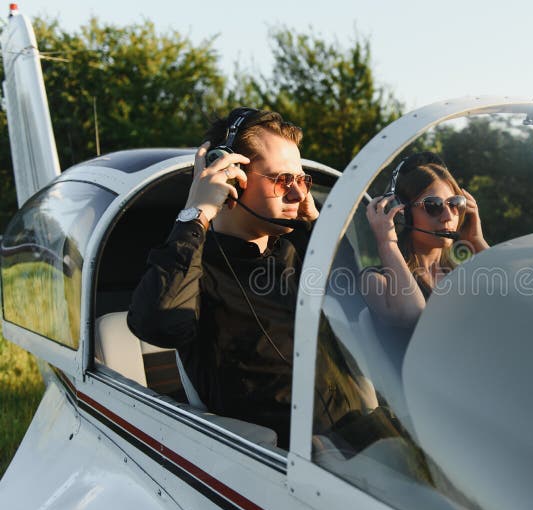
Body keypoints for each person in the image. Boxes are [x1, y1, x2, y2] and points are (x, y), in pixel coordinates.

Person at [127, 108, 319, 449]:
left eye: (301, 180)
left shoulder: (301, 253)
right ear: (234, 180)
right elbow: (156, 323)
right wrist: (197, 212)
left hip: (358, 442)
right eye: (281, 180)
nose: (298, 195)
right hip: (284, 463)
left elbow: (362, 314)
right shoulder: (196, 266)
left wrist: (317, 225)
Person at [362, 152, 488, 327]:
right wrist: (387, 243)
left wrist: (476, 240)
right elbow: (411, 315)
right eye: (433, 205)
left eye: (455, 204)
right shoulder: (377, 280)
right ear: (402, 214)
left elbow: (516, 298)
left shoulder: (464, 277)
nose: (448, 216)